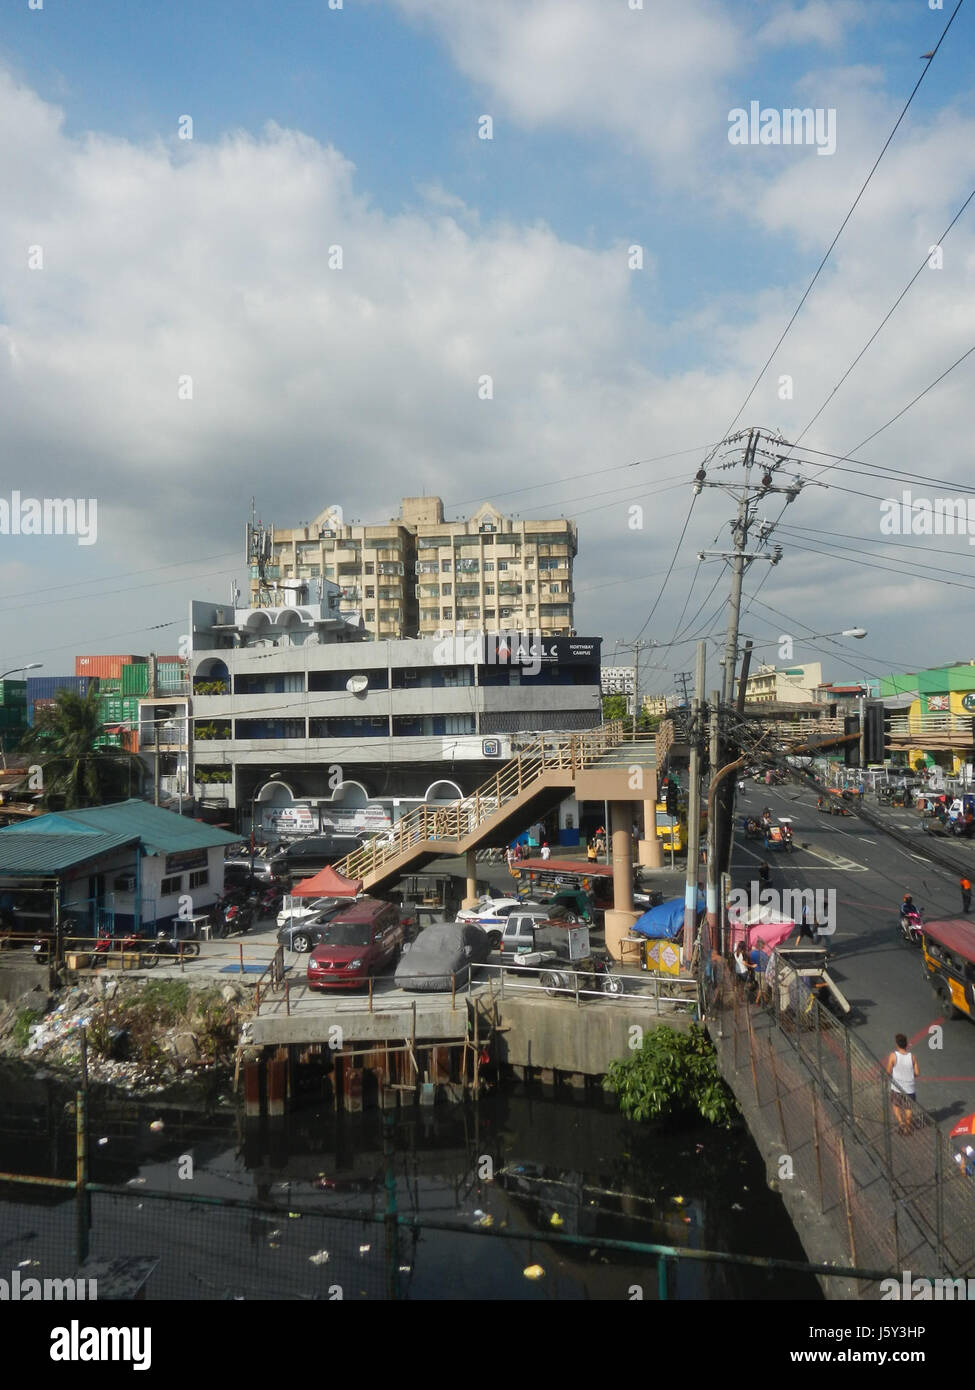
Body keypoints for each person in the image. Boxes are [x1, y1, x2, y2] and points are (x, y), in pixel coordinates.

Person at [886, 1034, 919, 1135]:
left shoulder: (893, 1056)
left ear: (897, 1044)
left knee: (895, 1105)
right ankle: (908, 1126)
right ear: (906, 1044)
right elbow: (917, 1073)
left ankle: (901, 1123)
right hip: (910, 1088)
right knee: (908, 1108)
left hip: (897, 1087)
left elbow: (888, 1071)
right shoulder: (912, 1057)